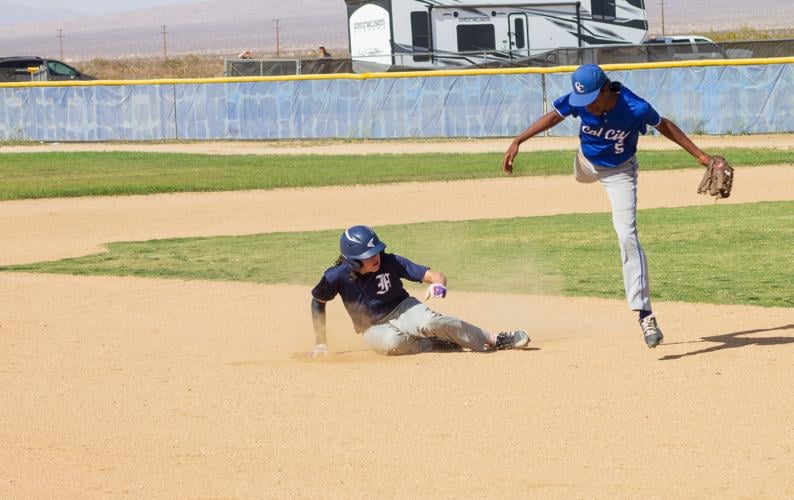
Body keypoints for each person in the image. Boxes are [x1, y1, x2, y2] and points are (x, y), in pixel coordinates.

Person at [503, 64, 718, 349]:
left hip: (620, 172)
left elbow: (664, 125)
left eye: (591, 100)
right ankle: (581, 163)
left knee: (627, 235)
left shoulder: (634, 107)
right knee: (581, 174)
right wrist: (519, 140)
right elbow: (555, 116)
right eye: (582, 102)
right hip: (586, 163)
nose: (586, 107)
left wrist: (702, 157)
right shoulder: (580, 100)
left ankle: (645, 314)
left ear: (606, 89)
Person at [309, 225, 530, 356]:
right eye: (369, 255)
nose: (376, 257)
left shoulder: (389, 261)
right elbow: (318, 300)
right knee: (392, 343)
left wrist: (439, 286)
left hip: (402, 308)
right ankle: (435, 342)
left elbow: (435, 276)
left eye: (377, 251)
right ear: (355, 261)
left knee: (431, 323)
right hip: (371, 328)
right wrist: (321, 342)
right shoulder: (335, 276)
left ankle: (494, 338)